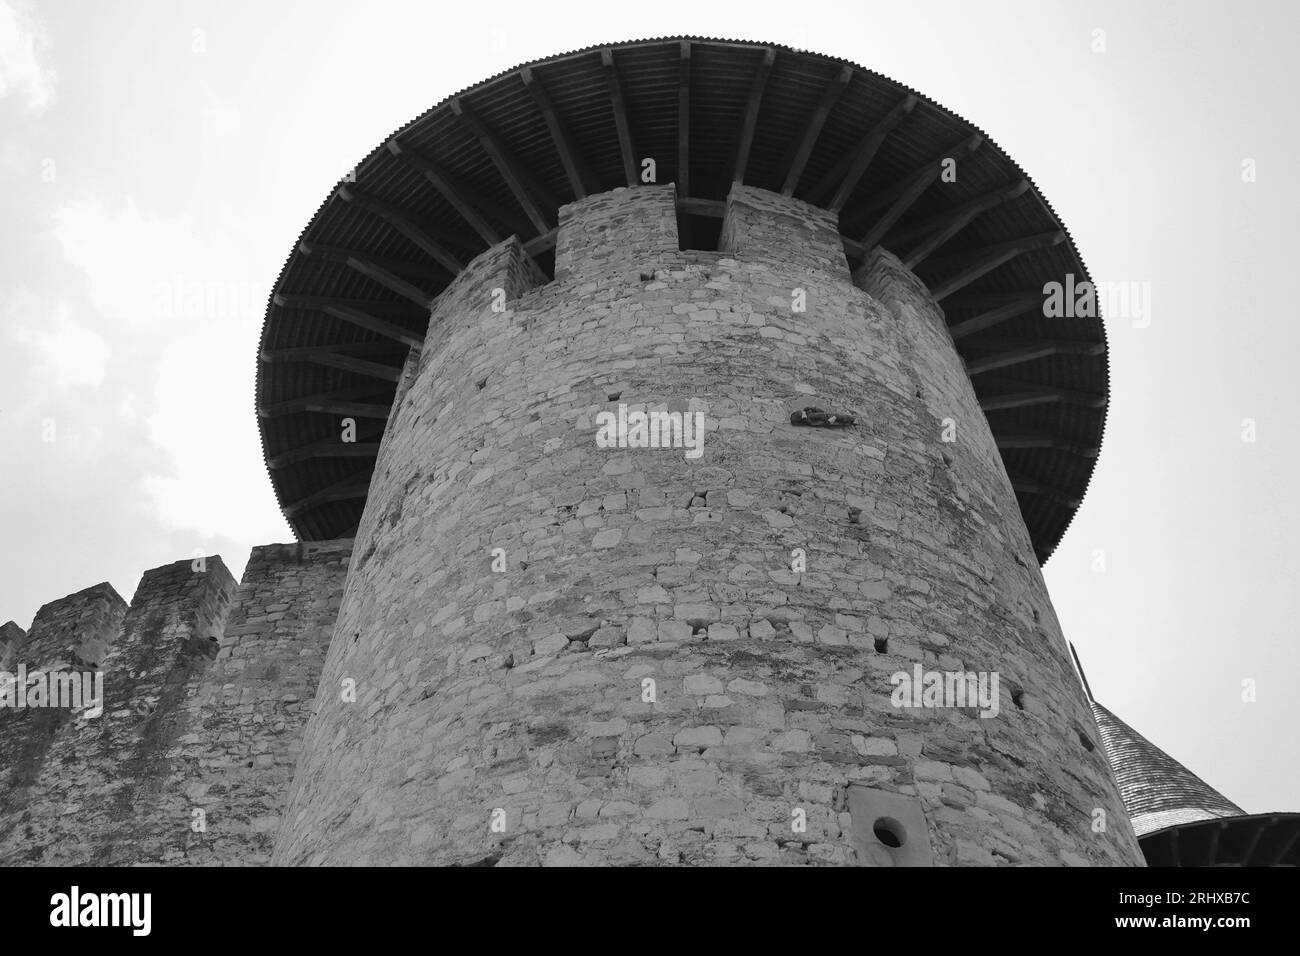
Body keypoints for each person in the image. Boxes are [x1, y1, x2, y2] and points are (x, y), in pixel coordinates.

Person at [790, 406, 856, 427]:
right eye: (802, 414)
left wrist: (807, 410)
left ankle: (851, 420)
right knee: (841, 418)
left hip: (827, 415)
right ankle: (852, 420)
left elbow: (811, 409)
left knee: (840, 417)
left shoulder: (808, 413)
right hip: (829, 418)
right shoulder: (810, 421)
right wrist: (830, 421)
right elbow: (821, 423)